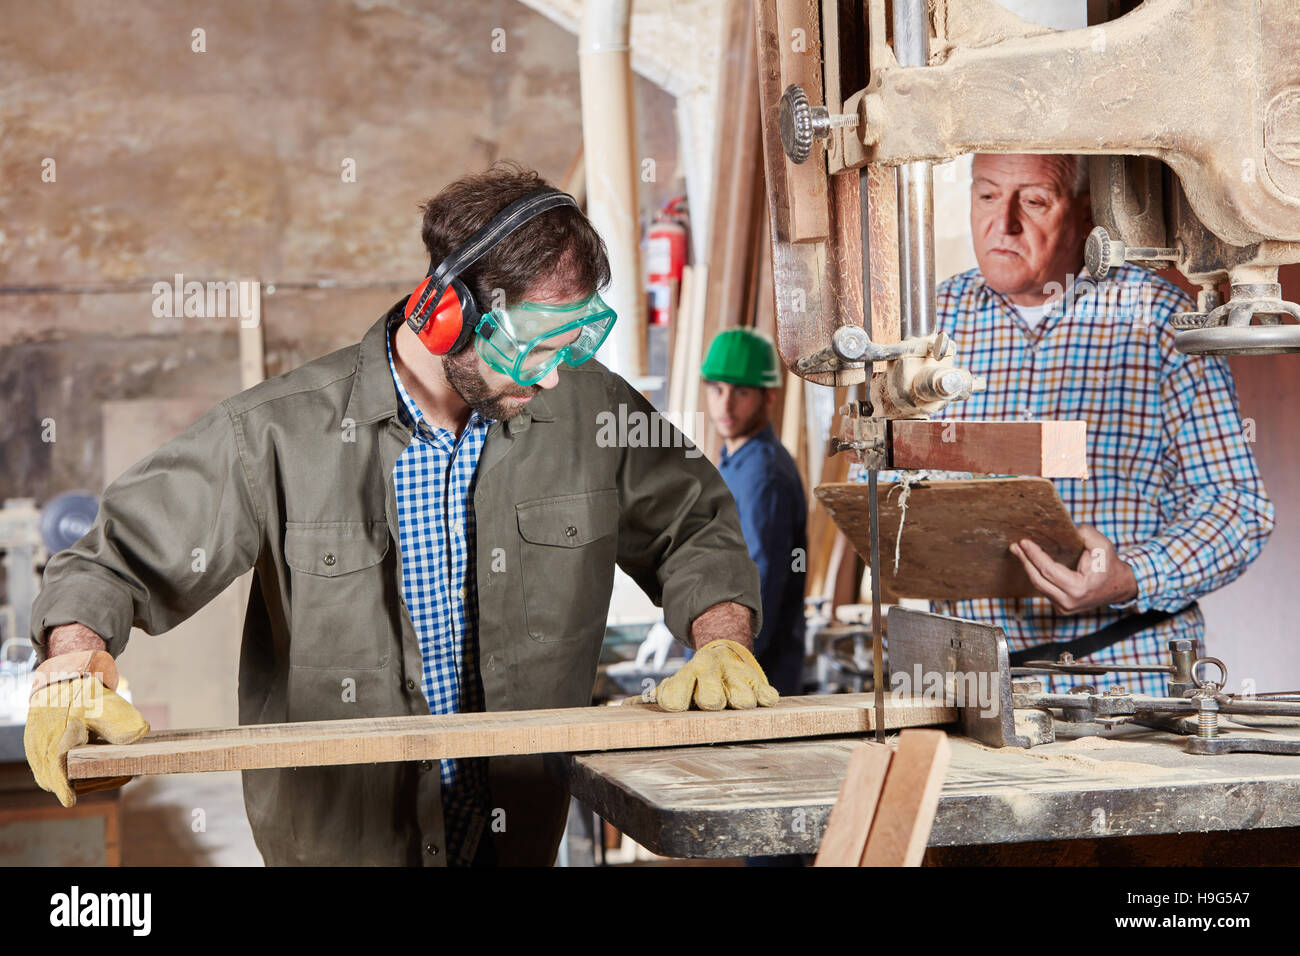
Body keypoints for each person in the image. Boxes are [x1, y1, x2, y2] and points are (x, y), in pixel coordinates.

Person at [24, 160, 778, 867]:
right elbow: (111, 559)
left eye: (573, 342)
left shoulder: (593, 411)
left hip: (514, 841)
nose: (552, 376)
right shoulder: (275, 436)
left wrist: (721, 640)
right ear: (445, 313)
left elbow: (695, 522)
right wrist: (70, 667)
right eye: (532, 346)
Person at [886, 152, 1274, 694]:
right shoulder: (928, 323)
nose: (1005, 223)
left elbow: (1237, 511)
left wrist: (1130, 576)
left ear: (1088, 211)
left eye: (1036, 200)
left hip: (1127, 677)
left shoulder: (1159, 320)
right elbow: (880, 485)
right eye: (987, 195)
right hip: (966, 683)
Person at [700, 328, 807, 696]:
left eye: (741, 392)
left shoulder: (765, 472)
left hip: (752, 676)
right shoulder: (735, 461)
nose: (725, 405)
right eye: (717, 389)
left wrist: (733, 669)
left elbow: (761, 580)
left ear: (769, 397)